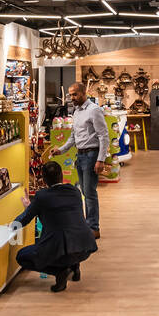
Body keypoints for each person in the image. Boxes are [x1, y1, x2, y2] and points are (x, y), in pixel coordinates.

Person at [10, 162, 98, 292]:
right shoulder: (75, 191)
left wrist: (12, 225)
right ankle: (74, 268)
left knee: (21, 256)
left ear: (44, 179)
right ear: (61, 175)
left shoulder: (42, 196)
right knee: (69, 234)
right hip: (85, 246)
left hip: (59, 248)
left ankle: (59, 272)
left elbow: (24, 219)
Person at [47, 80, 108, 239]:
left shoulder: (94, 110)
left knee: (89, 193)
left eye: (75, 94)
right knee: (84, 192)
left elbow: (103, 136)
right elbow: (73, 137)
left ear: (83, 93)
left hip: (91, 155)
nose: (72, 97)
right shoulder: (76, 111)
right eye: (70, 95)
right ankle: (87, 226)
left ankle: (93, 228)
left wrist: (100, 159)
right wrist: (60, 150)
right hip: (80, 156)